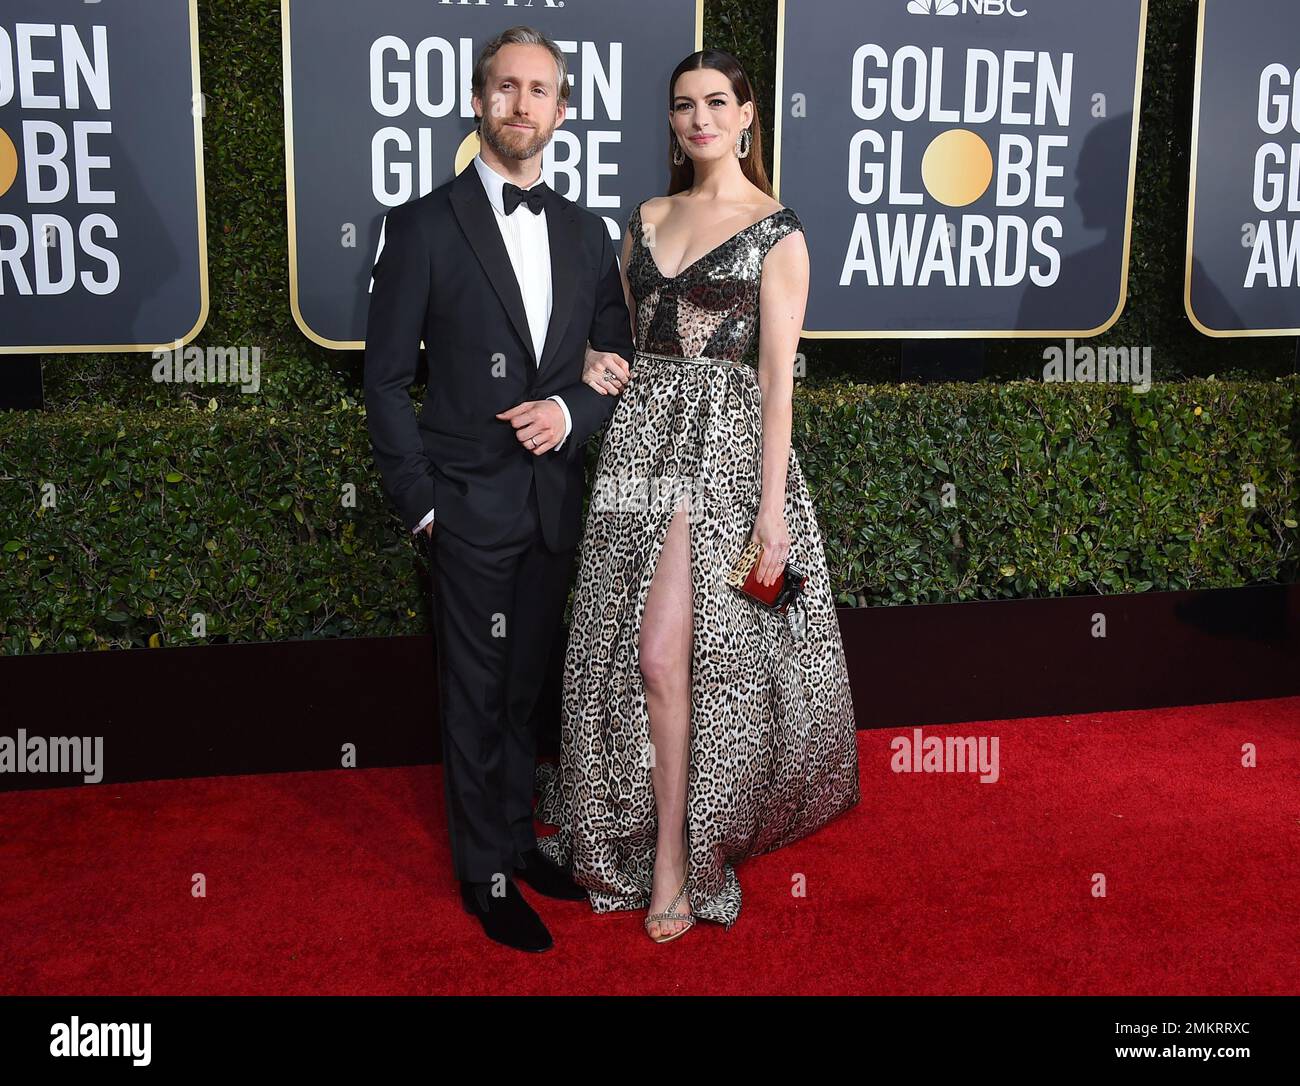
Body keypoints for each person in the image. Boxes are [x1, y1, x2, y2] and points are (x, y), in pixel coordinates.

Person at [534, 50, 860, 941]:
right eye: (684, 106)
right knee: (623, 648)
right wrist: (597, 362)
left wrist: (771, 510)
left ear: (749, 115)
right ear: (671, 121)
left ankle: (678, 862)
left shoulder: (778, 231)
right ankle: (631, 826)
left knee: (663, 653)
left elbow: (777, 385)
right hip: (640, 438)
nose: (700, 119)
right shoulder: (644, 218)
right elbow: (615, 336)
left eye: (718, 102)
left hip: (719, 454)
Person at [363, 25, 634, 953]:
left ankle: (520, 841)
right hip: (466, 510)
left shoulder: (588, 231)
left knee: (525, 689)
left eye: (541, 91)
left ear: (563, 111)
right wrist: (423, 505)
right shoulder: (423, 225)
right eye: (506, 88)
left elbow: (615, 358)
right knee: (474, 696)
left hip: (553, 502)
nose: (523, 105)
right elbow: (385, 380)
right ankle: (482, 872)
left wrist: (568, 414)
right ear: (478, 102)